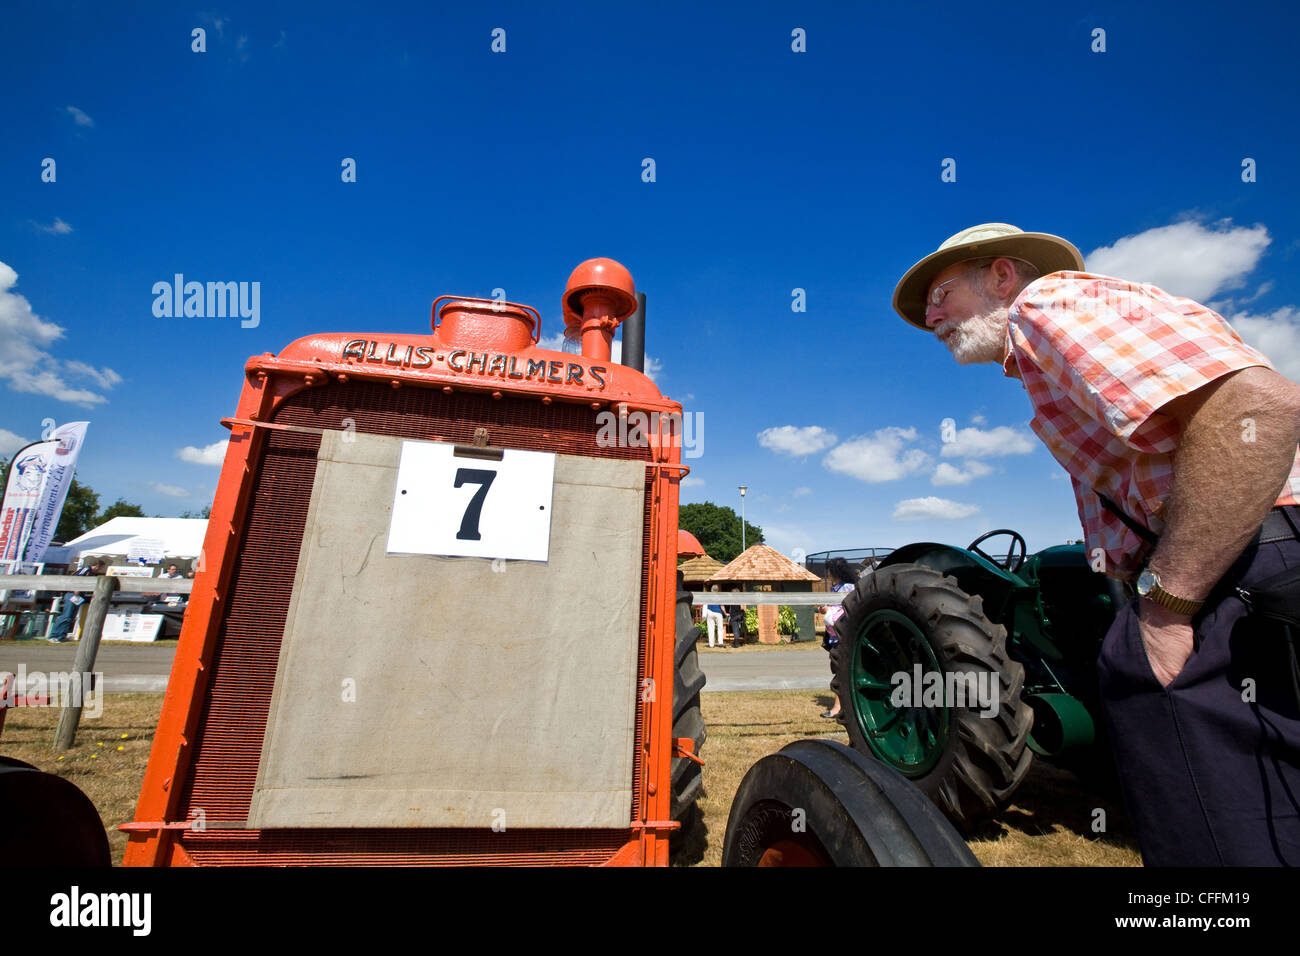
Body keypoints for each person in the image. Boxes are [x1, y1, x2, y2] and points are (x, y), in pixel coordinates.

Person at [893, 222, 1300, 866]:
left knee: (1218, 828)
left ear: (1002, 275)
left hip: (1235, 566)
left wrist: (1169, 602)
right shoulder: (1054, 342)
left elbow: (1259, 407)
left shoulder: (1048, 307)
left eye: (941, 293)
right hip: (1257, 556)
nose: (931, 315)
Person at [818, 557, 858, 718]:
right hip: (835, 636)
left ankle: (837, 708)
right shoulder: (836, 588)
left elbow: (845, 609)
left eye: (829, 570)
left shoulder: (848, 588)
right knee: (839, 670)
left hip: (844, 636)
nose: (827, 573)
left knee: (841, 671)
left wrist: (828, 610)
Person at [47, 558, 106, 643]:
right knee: (66, 616)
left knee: (71, 617)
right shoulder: (85, 570)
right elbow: (77, 579)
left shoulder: (90, 573)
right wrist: (76, 591)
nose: (100, 569)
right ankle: (54, 635)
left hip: (78, 596)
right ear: (97, 566)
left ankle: (62, 635)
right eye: (100, 567)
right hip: (73, 595)